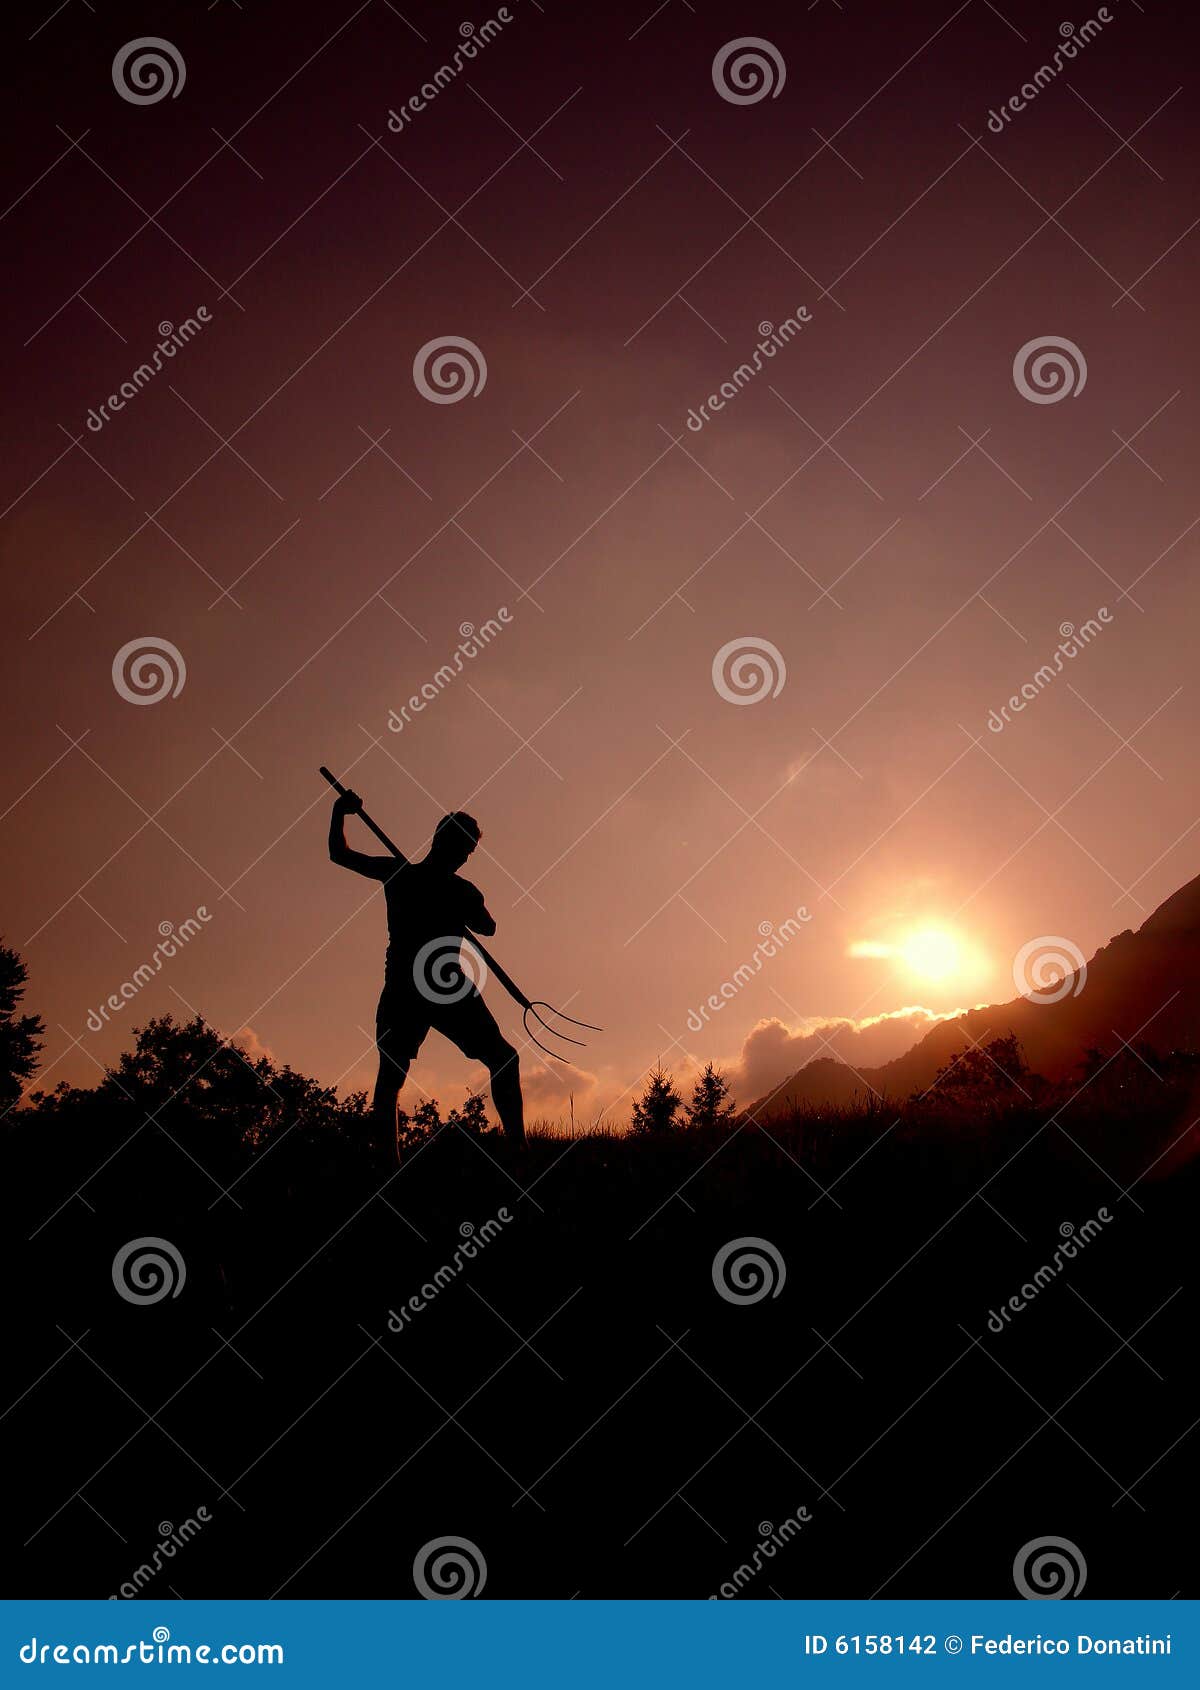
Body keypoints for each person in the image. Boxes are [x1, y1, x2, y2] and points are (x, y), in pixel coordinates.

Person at [328, 790, 525, 1149]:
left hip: (439, 986)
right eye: (463, 848)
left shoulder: (447, 887)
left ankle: (518, 1148)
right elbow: (340, 854)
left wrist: (463, 906)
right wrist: (339, 811)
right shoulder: (404, 875)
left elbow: (487, 927)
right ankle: (388, 1166)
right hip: (413, 986)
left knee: (503, 1059)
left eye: (469, 852)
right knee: (392, 1074)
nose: (464, 857)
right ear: (442, 840)